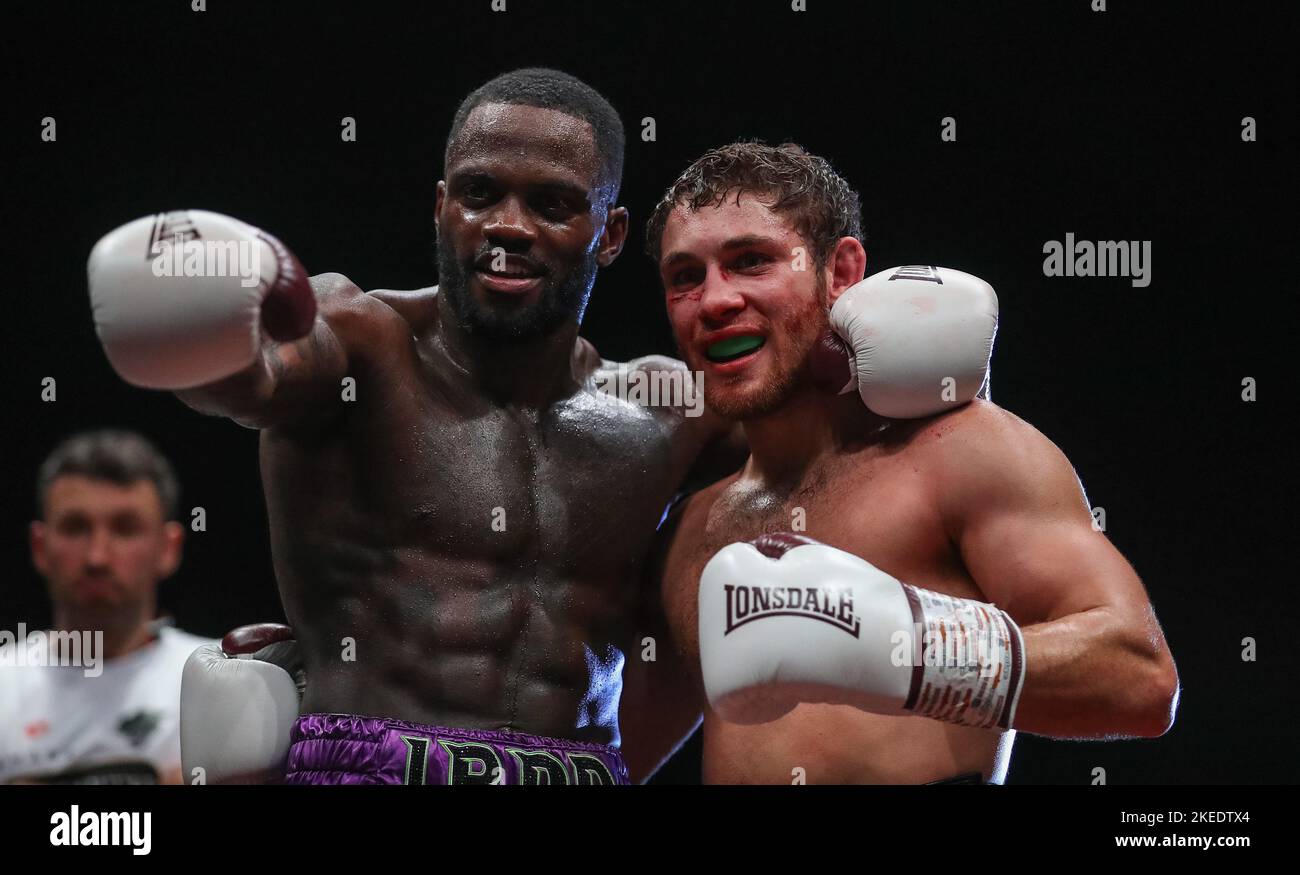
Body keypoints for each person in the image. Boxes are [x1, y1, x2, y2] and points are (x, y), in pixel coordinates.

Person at [87, 71, 991, 785]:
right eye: (480, 193)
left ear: (607, 233)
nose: (507, 227)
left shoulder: (666, 413)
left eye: (553, 203)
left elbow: (838, 428)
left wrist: (914, 352)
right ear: (439, 204)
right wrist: (201, 323)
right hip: (370, 765)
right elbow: (254, 375)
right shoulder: (361, 342)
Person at [627, 142, 1180, 784]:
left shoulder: (958, 452)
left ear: (841, 273)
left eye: (751, 262)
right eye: (685, 277)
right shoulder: (689, 535)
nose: (716, 302)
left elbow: (1139, 677)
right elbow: (614, 760)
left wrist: (909, 653)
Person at [0, 430, 213, 784]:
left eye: (125, 529)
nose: (97, 556)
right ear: (40, 546)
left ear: (168, 547)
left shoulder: (220, 683)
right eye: (75, 528)